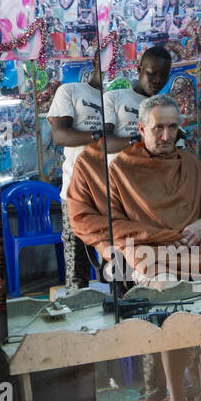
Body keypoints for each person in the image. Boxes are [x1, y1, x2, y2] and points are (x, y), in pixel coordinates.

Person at [67, 94, 201, 401]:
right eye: (158, 128)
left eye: (172, 127)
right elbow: (100, 222)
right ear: (141, 128)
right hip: (157, 251)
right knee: (170, 299)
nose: (166, 135)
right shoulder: (121, 169)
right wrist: (147, 239)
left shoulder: (190, 164)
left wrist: (199, 227)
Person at [47, 53, 127, 293]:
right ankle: (78, 311)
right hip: (76, 192)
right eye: (108, 63)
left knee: (118, 263)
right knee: (76, 268)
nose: (113, 70)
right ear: (95, 63)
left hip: (114, 193)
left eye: (117, 64)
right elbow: (60, 135)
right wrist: (100, 136)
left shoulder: (123, 98)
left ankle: (121, 307)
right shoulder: (70, 91)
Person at [103, 45, 173, 141]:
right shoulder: (113, 97)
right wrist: (139, 141)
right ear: (139, 69)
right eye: (152, 73)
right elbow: (105, 142)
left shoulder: (165, 109)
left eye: (164, 75)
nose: (157, 80)